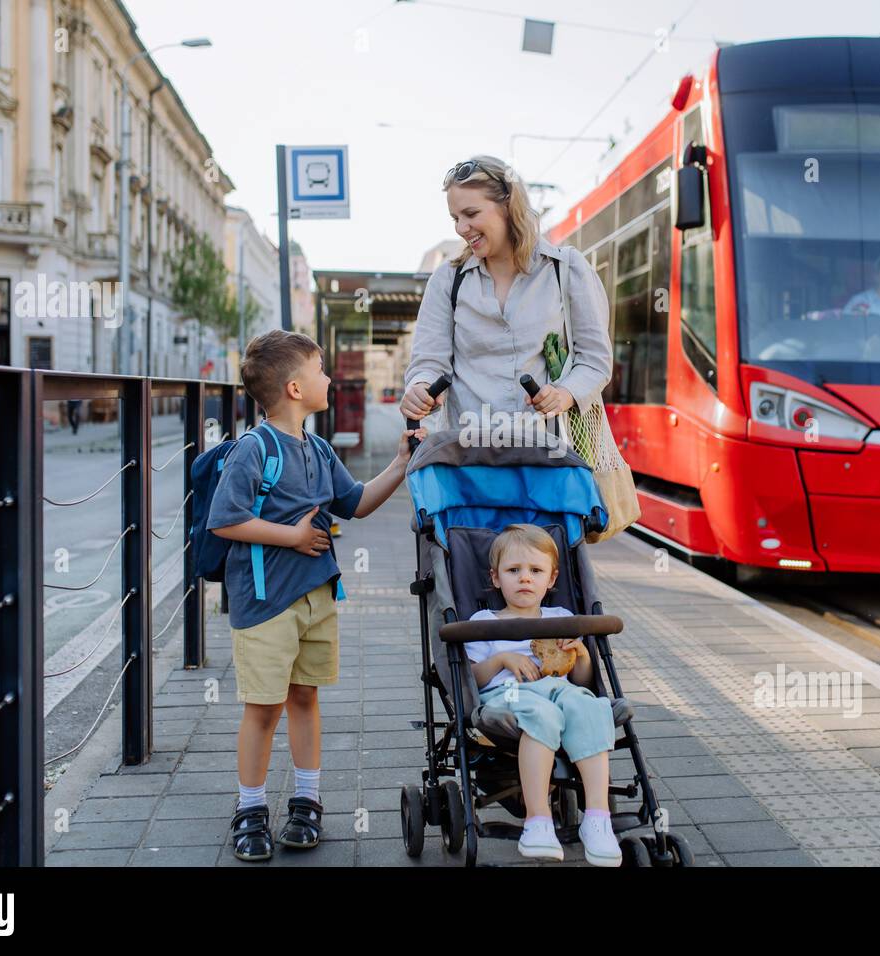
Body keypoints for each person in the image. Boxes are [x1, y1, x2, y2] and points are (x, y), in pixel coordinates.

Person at [207, 329, 425, 861]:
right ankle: (251, 807)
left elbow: (355, 503)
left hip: (318, 596)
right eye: (320, 369)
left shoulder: (319, 448)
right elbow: (224, 521)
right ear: (295, 388)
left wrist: (399, 463)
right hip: (265, 604)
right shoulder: (254, 450)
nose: (329, 377)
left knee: (306, 697)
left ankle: (307, 802)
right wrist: (293, 536)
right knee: (263, 707)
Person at [401, 155, 612, 433]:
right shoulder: (447, 280)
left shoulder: (567, 270)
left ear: (508, 207)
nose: (461, 228)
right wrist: (420, 385)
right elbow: (428, 362)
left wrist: (564, 394)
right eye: (455, 218)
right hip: (469, 458)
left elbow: (594, 360)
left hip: (547, 455)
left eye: (471, 214)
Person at [464, 523, 622, 866]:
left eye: (535, 571)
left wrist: (578, 653)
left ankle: (597, 818)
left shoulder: (561, 617)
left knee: (592, 707)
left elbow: (582, 679)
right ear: (495, 578)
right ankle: (537, 821)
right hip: (508, 695)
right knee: (543, 714)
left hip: (560, 690)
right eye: (513, 570)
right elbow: (471, 678)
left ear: (551, 580)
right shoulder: (483, 620)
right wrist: (502, 658)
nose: (524, 579)